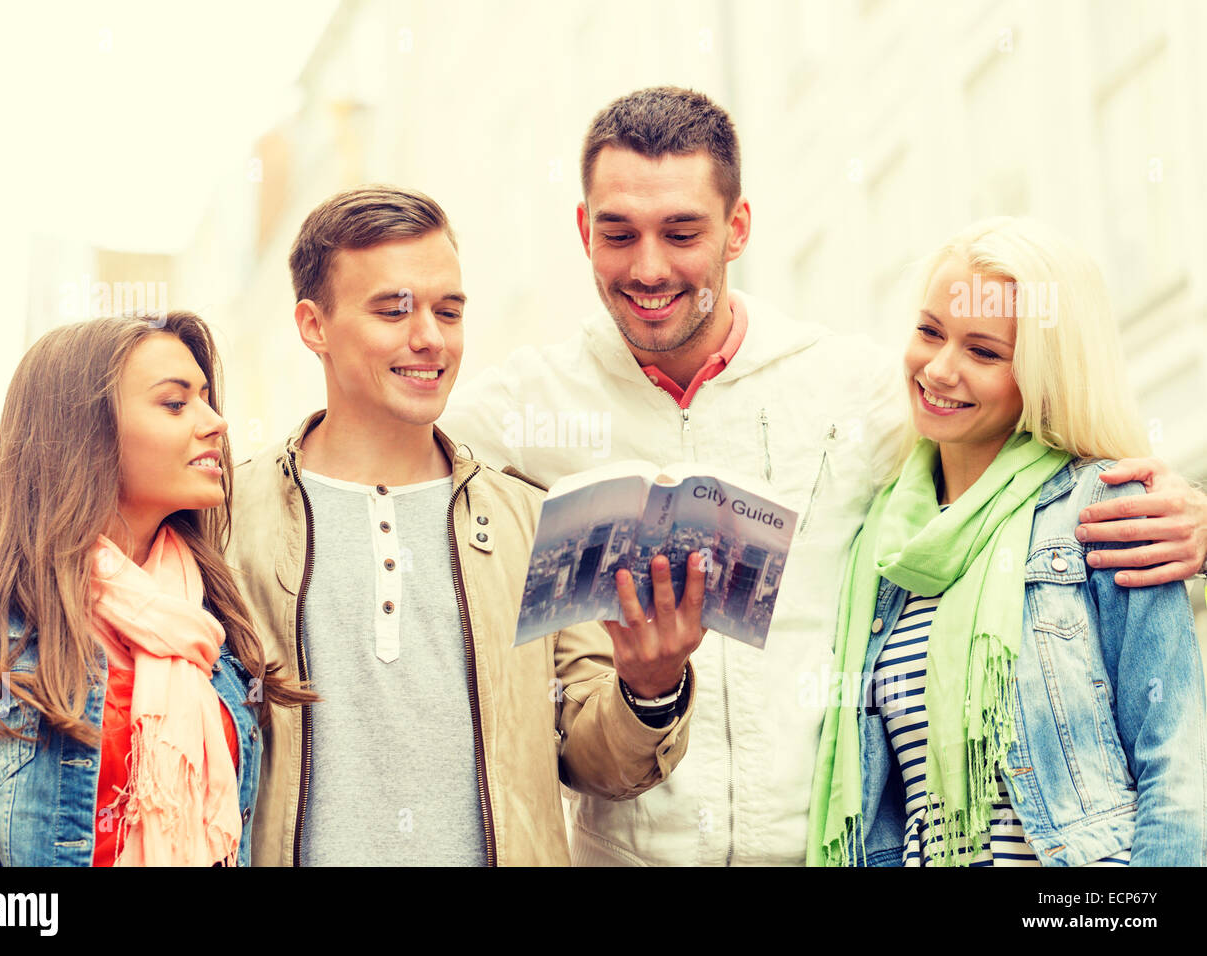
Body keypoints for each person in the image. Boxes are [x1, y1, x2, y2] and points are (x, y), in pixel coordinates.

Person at [438, 86, 1207, 865]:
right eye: (619, 233)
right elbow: (370, 461)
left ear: (737, 229)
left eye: (681, 231)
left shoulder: (860, 391)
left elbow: (1030, 447)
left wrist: (1199, 520)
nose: (649, 267)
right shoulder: (518, 411)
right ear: (583, 230)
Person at [227, 185, 704, 865]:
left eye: (447, 311)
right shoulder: (224, 519)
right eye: (393, 309)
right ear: (314, 326)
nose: (429, 338)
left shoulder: (534, 522)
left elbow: (597, 762)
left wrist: (649, 688)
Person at [807, 217, 1206, 866]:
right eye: (929, 331)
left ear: (1041, 375)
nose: (938, 370)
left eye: (983, 352)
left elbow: (1178, 766)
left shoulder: (1105, 507)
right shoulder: (881, 546)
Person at [0, 312, 307, 867]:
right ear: (84, 432)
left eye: (208, 399)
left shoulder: (219, 643)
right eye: (175, 403)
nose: (216, 421)